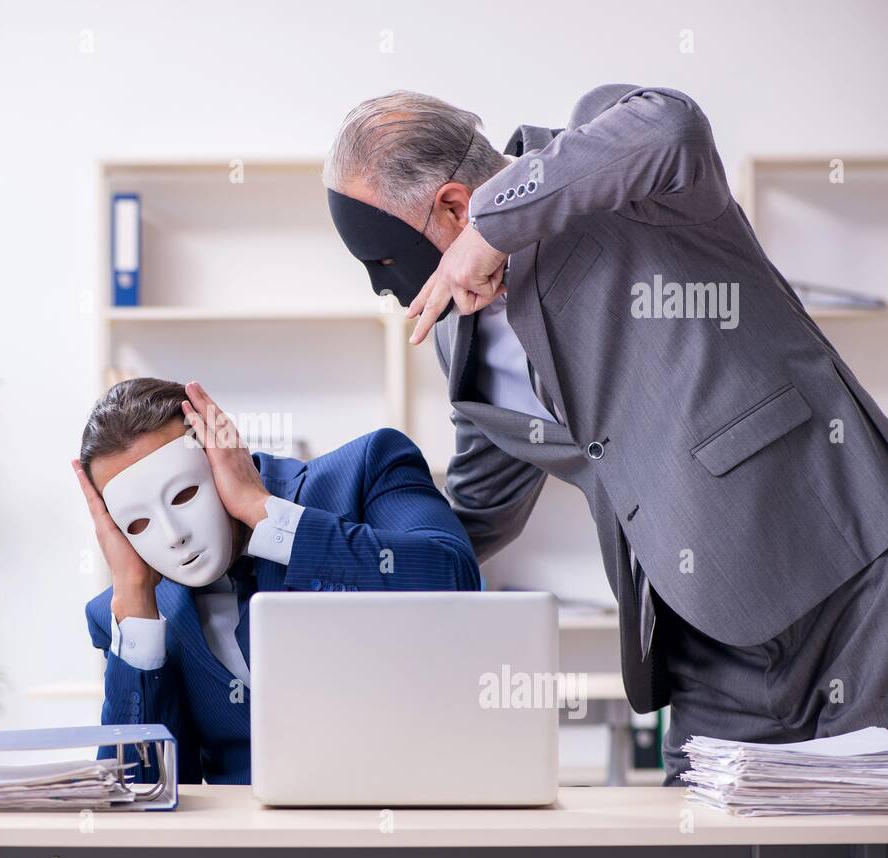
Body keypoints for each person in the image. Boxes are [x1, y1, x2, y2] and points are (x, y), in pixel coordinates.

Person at [324, 85, 888, 782]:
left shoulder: (616, 168)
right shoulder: (458, 346)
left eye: (390, 261)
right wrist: (327, 546)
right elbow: (474, 514)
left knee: (863, 832)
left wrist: (492, 230)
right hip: (703, 639)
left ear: (452, 206)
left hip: (848, 571)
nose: (398, 289)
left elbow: (673, 126)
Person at [72, 377, 479, 784]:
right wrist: (137, 605)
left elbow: (455, 579)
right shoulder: (130, 611)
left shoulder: (367, 469)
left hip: (412, 817)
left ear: (220, 452)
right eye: (138, 523)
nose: (173, 534)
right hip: (247, 844)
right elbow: (138, 794)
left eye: (182, 495)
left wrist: (262, 510)